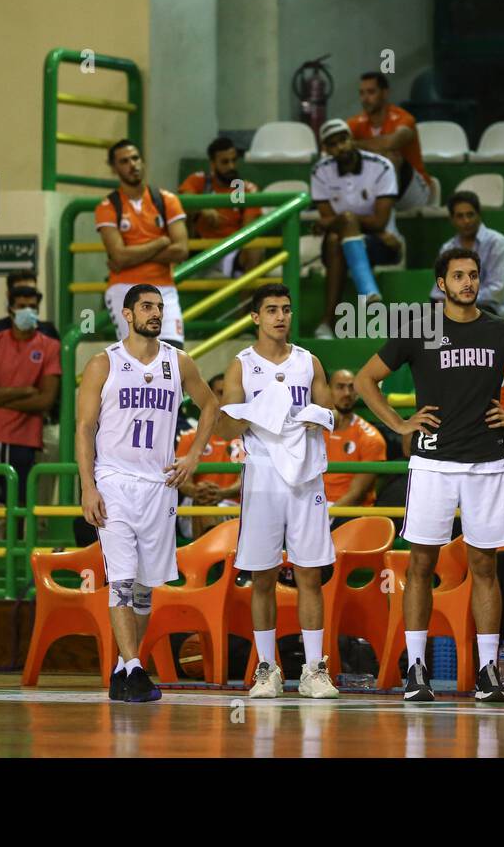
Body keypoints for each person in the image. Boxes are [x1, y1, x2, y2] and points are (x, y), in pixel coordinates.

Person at [354, 248, 504, 703]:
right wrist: (400, 423)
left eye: (474, 275)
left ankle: (487, 672)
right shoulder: (419, 329)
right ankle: (416, 669)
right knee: (421, 564)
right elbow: (366, 380)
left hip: (486, 462)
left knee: (486, 565)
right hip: (432, 463)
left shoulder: (502, 331)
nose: (468, 282)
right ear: (441, 283)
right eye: (458, 276)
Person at [76, 283, 220, 703]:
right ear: (127, 313)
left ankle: (124, 669)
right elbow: (85, 428)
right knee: (121, 578)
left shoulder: (179, 362)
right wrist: (88, 486)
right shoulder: (104, 363)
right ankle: (136, 668)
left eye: (159, 307)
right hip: (114, 482)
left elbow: (210, 406)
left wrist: (192, 457)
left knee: (144, 587)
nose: (155, 313)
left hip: (160, 485)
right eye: (146, 306)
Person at [217, 283, 341, 700]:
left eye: (286, 309)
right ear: (255, 317)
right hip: (263, 474)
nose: (280, 316)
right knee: (262, 574)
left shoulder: (309, 362)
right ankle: (267, 669)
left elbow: (330, 412)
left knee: (309, 573)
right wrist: (255, 412)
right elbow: (227, 425)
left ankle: (313, 669)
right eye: (271, 310)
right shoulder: (242, 366)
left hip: (306, 476)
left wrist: (318, 416)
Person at [0, 284, 62, 540]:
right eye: (22, 306)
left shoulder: (50, 347)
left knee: (20, 512)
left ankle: (16, 570)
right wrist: (22, 391)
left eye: (33, 307)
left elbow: (45, 400)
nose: (27, 311)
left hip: (25, 439)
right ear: (10, 308)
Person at [311, 119, 403, 339]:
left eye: (343, 140)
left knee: (336, 238)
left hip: (382, 243)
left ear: (352, 139)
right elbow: (329, 219)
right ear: (326, 149)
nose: (340, 147)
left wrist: (343, 222)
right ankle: (367, 291)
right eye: (332, 144)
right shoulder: (320, 172)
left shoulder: (381, 166)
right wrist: (342, 222)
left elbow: (379, 221)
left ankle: (327, 323)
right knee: (338, 235)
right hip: (356, 240)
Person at [95, 139, 190, 348]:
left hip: (164, 286)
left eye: (136, 158)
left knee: (173, 353)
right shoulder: (108, 205)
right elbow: (119, 256)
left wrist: (131, 255)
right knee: (137, 353)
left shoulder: (167, 200)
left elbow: (182, 250)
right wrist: (161, 242)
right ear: (114, 168)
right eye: (124, 161)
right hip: (124, 288)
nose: (132, 165)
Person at [178, 136, 264, 276]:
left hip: (231, 249)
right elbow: (184, 199)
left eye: (233, 161)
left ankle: (246, 299)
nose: (231, 166)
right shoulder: (200, 180)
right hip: (201, 249)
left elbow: (250, 228)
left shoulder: (243, 188)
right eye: (225, 162)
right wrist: (203, 208)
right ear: (213, 164)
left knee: (255, 247)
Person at [347, 72, 432, 213]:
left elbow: (392, 142)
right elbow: (334, 142)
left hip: (415, 190)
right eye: (361, 93)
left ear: (385, 93)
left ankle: (386, 217)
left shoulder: (404, 118)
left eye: (371, 92)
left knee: (390, 156)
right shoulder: (356, 122)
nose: (365, 98)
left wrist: (355, 144)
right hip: (376, 190)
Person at [175, 373, 244, 540]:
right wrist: (198, 491)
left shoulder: (246, 437)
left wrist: (222, 493)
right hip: (194, 504)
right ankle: (217, 562)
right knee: (204, 504)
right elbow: (182, 480)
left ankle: (209, 561)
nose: (227, 398)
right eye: (221, 393)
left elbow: (247, 477)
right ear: (211, 397)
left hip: (232, 506)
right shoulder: (190, 437)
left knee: (209, 506)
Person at [428, 192, 504, 319]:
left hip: (490, 310)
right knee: (405, 315)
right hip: (453, 307)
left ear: (479, 215)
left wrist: (459, 298)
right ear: (452, 220)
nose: (466, 221)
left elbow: (497, 291)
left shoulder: (498, 243)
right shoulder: (448, 248)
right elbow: (438, 290)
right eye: (460, 216)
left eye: (470, 215)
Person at [323, 369, 387, 527]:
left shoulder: (371, 438)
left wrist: (324, 516)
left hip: (348, 511)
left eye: (351, 388)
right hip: (314, 505)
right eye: (340, 387)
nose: (347, 393)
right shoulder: (313, 430)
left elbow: (357, 494)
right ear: (328, 390)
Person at [0, 272, 60, 340]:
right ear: (9, 295)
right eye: (20, 291)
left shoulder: (47, 330)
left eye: (31, 291)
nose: (27, 295)